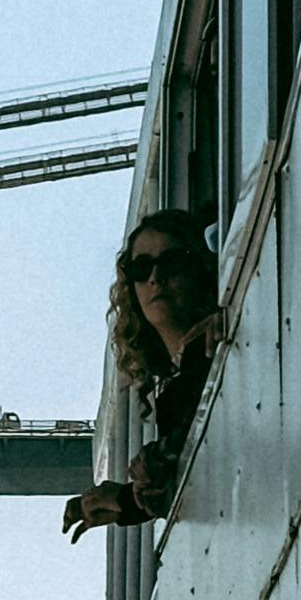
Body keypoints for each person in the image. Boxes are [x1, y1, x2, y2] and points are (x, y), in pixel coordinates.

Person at [64, 211, 218, 542]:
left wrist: (134, 493)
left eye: (173, 261)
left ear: (200, 270)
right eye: (141, 268)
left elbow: (205, 452)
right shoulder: (176, 387)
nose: (155, 278)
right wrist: (126, 501)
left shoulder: (215, 349)